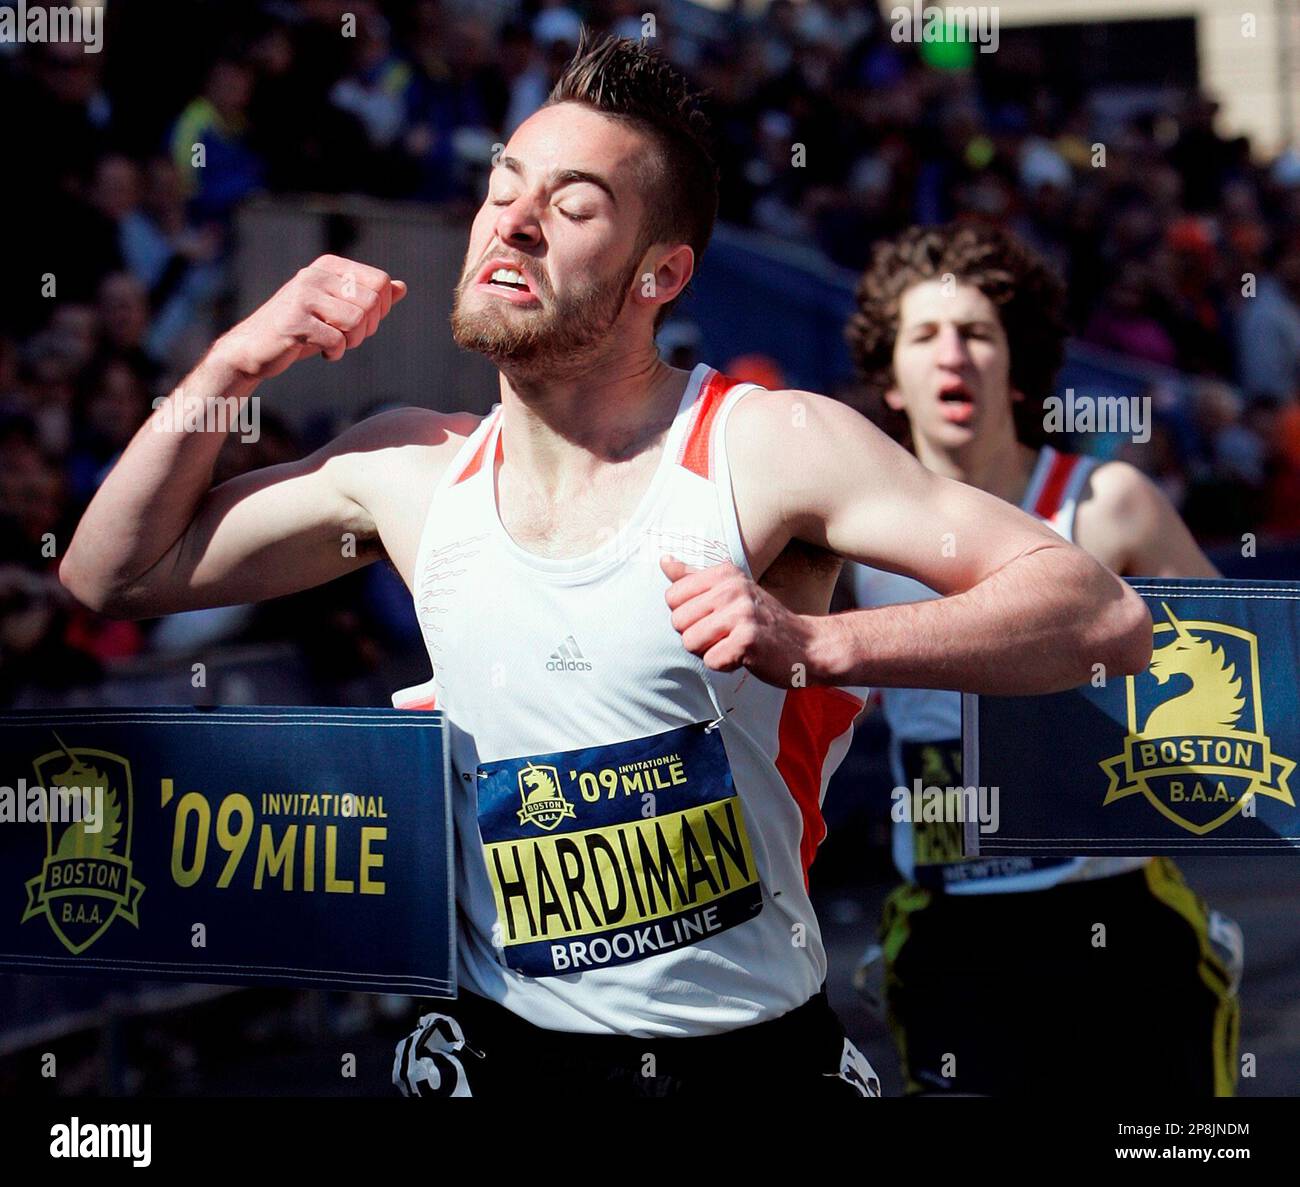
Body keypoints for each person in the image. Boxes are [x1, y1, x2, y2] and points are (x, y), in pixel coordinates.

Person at [58, 35, 1151, 1100]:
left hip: (745, 1057)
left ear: (658, 273)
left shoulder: (766, 446)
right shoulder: (406, 468)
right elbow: (112, 574)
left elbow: (1096, 611)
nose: (517, 222)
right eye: (504, 187)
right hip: (501, 1050)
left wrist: (825, 643)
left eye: (574, 205)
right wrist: (239, 356)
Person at [844, 222, 1242, 1097]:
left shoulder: (1110, 507)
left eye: (979, 332)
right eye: (926, 334)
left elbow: (1247, 700)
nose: (955, 354)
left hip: (1122, 928)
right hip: (953, 938)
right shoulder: (849, 534)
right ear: (890, 373)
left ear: (1017, 363)